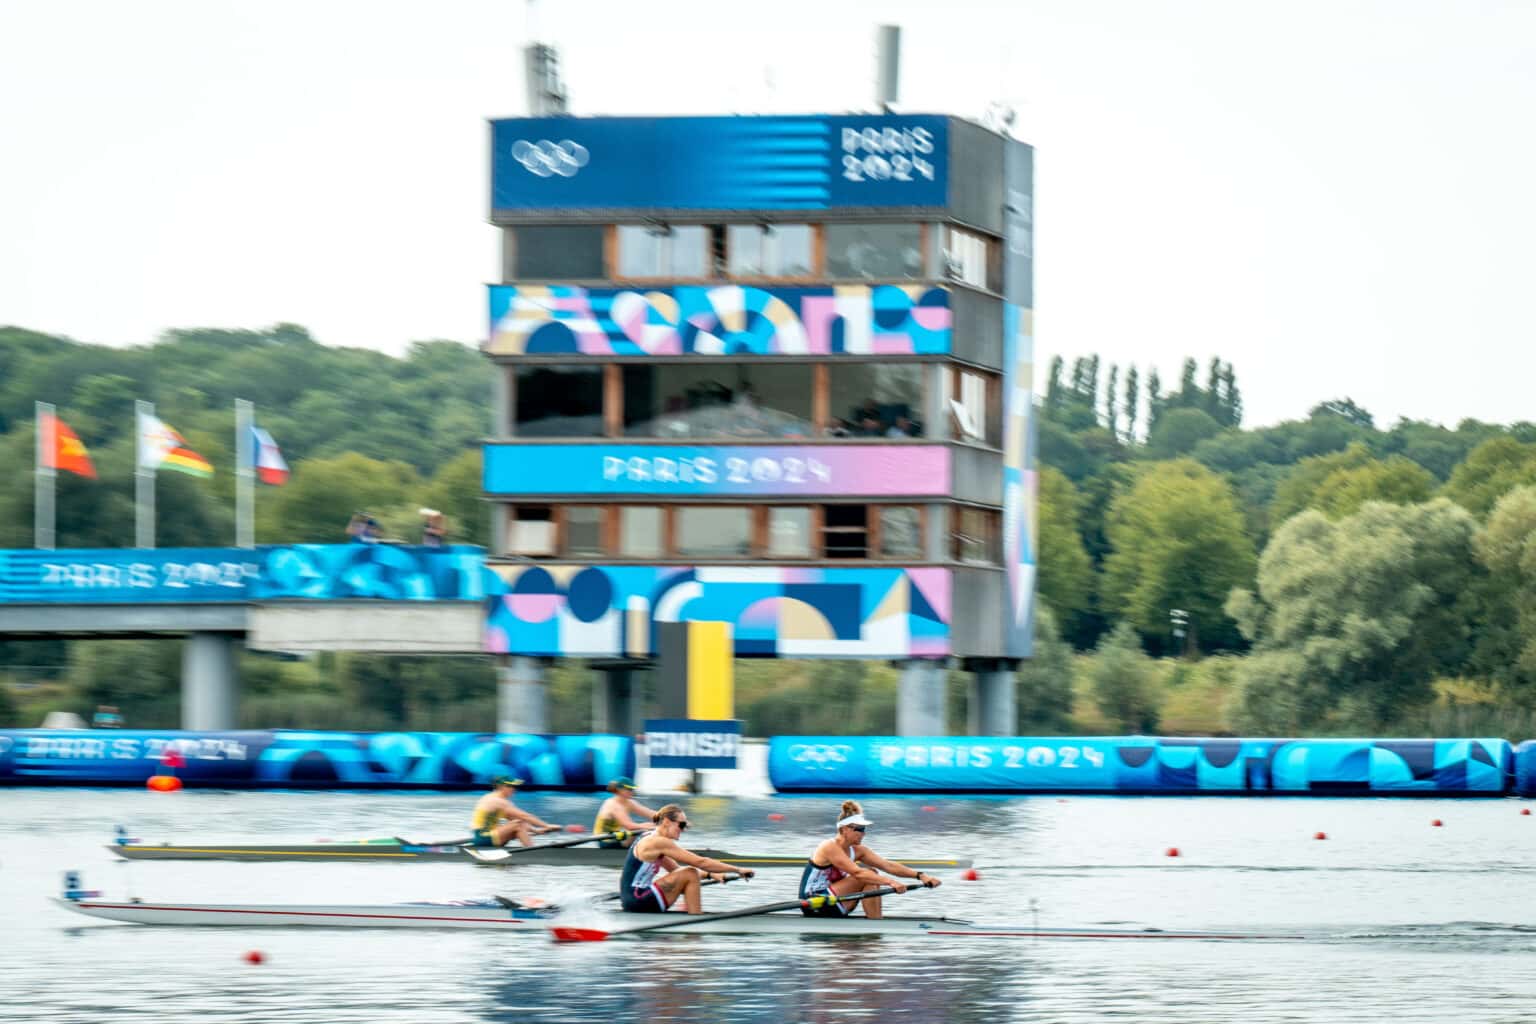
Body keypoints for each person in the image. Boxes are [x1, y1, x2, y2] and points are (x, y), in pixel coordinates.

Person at [799, 800, 940, 919]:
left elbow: (888, 865)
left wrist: (920, 875)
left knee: (872, 875)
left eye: (864, 829)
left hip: (836, 902)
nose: (863, 834)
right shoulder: (829, 846)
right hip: (813, 903)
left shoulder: (858, 850)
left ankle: (876, 923)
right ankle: (875, 926)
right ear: (844, 829)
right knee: (867, 874)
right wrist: (890, 882)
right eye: (859, 829)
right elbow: (858, 874)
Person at [619, 804, 754, 914]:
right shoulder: (658, 842)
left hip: (633, 899)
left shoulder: (651, 837)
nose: (683, 830)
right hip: (638, 899)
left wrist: (710, 874)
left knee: (688, 874)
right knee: (690, 873)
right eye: (681, 825)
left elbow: (676, 870)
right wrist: (738, 869)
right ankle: (695, 921)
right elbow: (700, 862)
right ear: (666, 822)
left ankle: (691, 915)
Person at [469, 776, 563, 848]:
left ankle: (529, 851)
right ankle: (531, 852)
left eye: (515, 786)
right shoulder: (497, 801)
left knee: (518, 823)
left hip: (488, 837)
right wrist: (546, 825)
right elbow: (525, 816)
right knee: (518, 824)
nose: (514, 789)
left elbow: (518, 819)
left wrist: (537, 831)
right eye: (511, 786)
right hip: (484, 837)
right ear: (501, 787)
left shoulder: (496, 800)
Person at [592, 777, 657, 848]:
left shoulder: (629, 802)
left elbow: (649, 813)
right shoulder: (613, 804)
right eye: (629, 789)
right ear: (619, 790)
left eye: (632, 789)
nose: (632, 792)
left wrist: (666, 816)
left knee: (646, 828)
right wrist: (649, 826)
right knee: (641, 829)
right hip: (605, 840)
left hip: (616, 836)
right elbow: (629, 826)